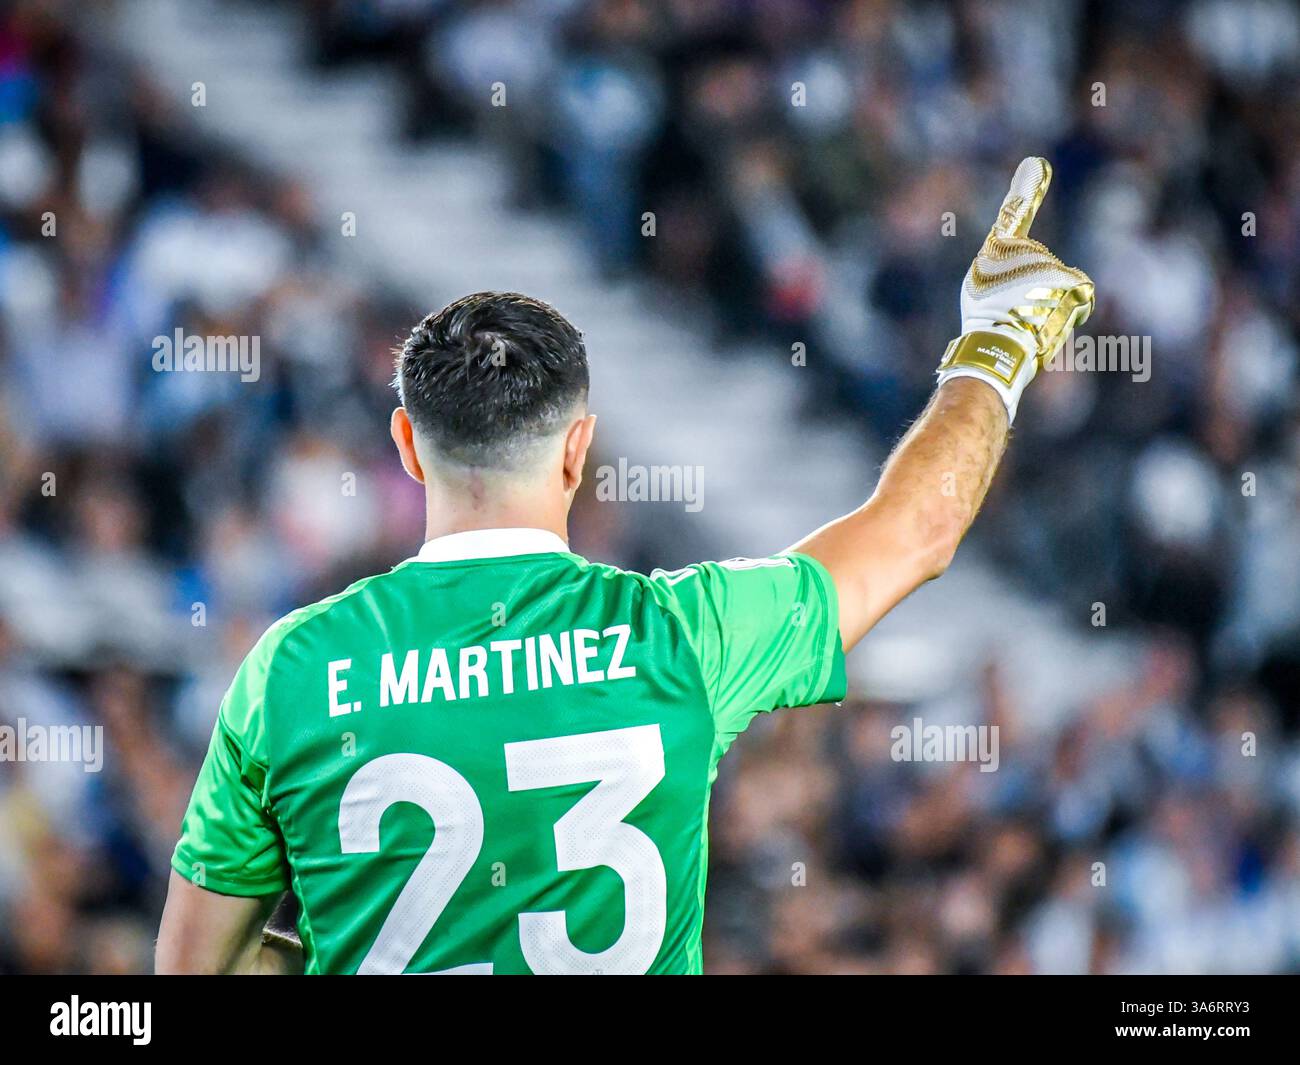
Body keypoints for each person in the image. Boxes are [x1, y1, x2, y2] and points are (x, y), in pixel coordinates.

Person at [155, 158, 1093, 974]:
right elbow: (918, 529)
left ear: (406, 443)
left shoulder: (292, 670)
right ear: (578, 452)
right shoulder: (685, 635)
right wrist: (998, 344)